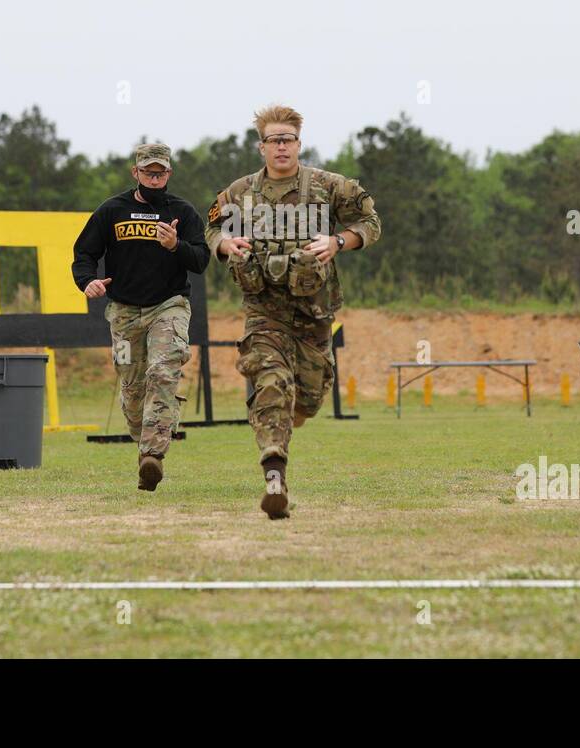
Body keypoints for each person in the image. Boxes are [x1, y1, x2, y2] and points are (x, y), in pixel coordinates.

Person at [204, 105, 381, 519]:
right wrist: (224, 245)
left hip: (314, 317)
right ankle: (274, 473)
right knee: (270, 384)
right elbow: (211, 227)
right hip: (263, 313)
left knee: (309, 401)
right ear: (260, 147)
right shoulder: (240, 193)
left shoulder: (327, 186)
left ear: (299, 144)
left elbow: (371, 222)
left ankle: (287, 423)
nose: (281, 146)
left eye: (288, 139)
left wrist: (339, 241)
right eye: (273, 140)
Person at [72, 143, 209, 492]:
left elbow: (201, 260)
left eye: (160, 172)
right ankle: (144, 439)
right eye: (148, 171)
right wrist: (87, 281)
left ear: (169, 174)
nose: (154, 177)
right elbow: (84, 252)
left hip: (169, 305)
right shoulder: (111, 210)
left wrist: (175, 246)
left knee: (163, 371)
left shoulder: (182, 211)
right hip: (124, 313)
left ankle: (152, 456)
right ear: (135, 172)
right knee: (133, 389)